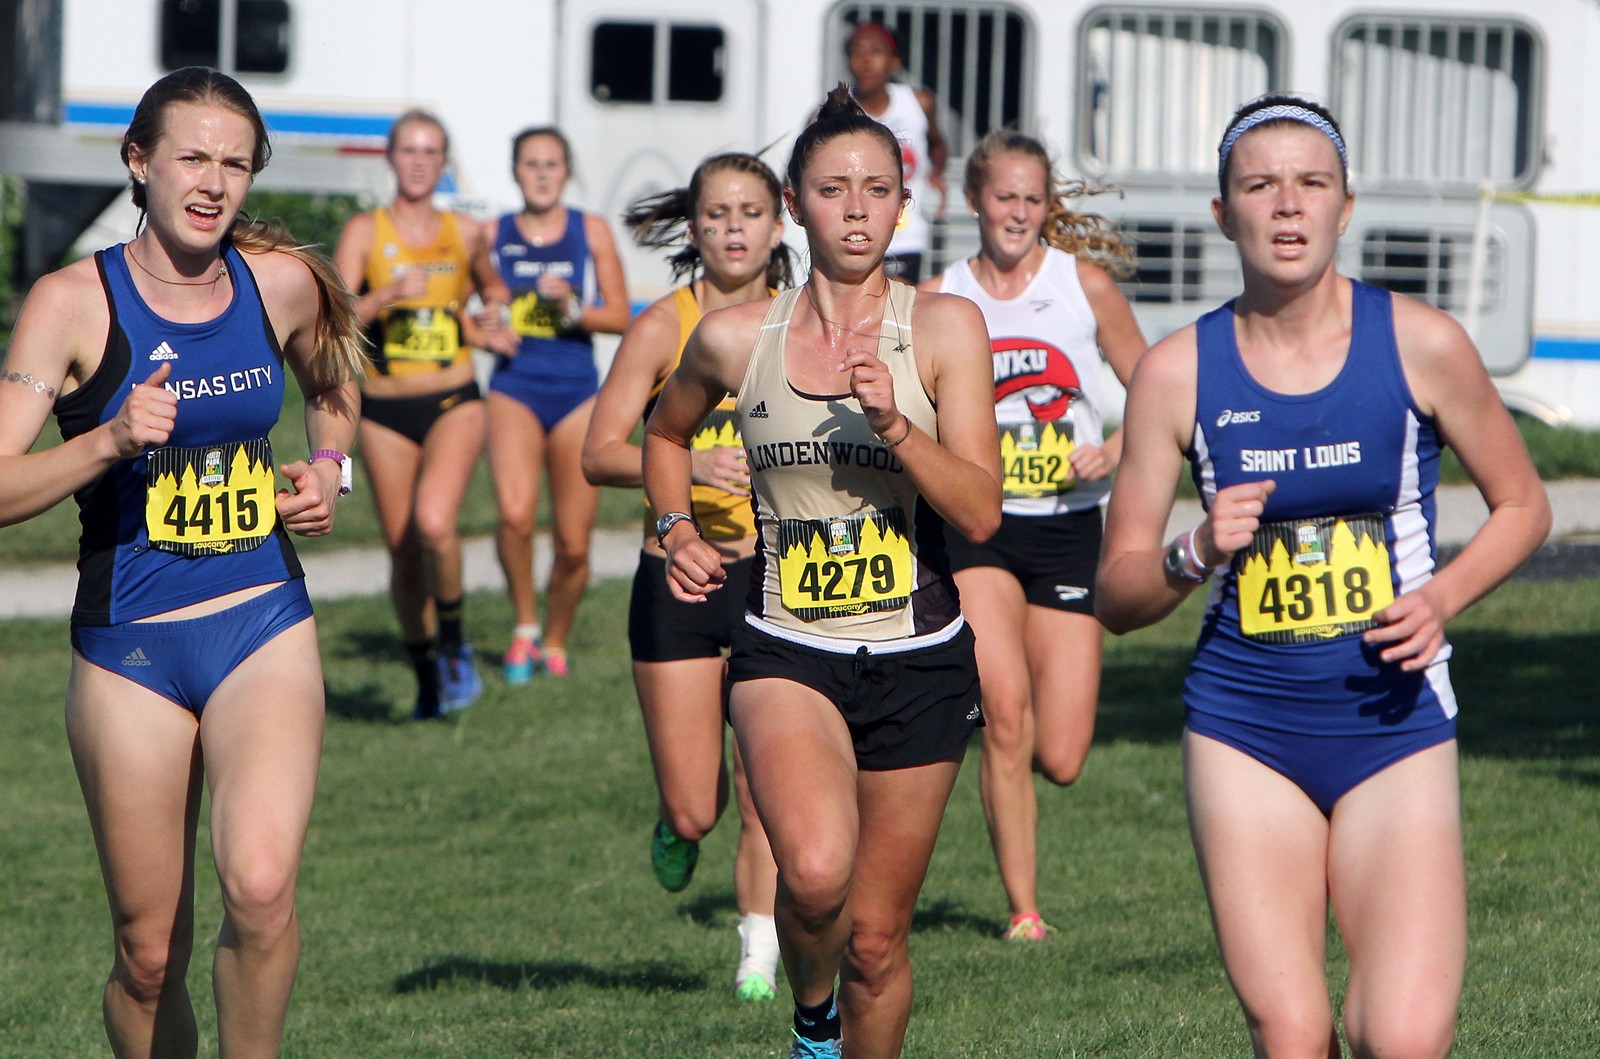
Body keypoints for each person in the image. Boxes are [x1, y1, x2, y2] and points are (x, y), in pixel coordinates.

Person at [1096, 94, 1551, 1058]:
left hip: (1395, 722)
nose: (1288, 206)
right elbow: (1118, 593)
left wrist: (1441, 600)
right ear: (1224, 213)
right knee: (1293, 1031)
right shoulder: (1176, 373)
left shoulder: (1422, 342)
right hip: (1245, 726)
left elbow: (1524, 507)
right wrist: (1196, 550)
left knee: (1403, 1034)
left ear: (1347, 207)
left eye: (1312, 184)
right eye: (1261, 186)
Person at [0, 66, 365, 1058]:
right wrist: (108, 443)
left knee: (258, 884)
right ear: (139, 162)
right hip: (131, 650)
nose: (212, 182)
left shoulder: (278, 282)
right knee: (148, 951)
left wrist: (331, 468)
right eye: (192, 157)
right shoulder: (72, 302)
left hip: (261, 620)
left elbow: (334, 380)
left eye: (235, 163)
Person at [643, 86, 1001, 1059]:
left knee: (878, 944)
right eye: (833, 189)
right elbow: (663, 432)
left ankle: (842, 1018)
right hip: (785, 650)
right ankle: (812, 1021)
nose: (856, 208)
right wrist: (675, 524)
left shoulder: (945, 330)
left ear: (903, 202)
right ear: (795, 207)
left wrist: (895, 427)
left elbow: (977, 509)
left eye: (877, 189)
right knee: (809, 871)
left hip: (920, 657)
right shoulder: (733, 337)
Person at [922, 129, 1147, 941]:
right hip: (978, 530)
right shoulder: (939, 295)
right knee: (1006, 716)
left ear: (1046, 207)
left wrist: (1115, 450)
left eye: (1030, 198)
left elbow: (1154, 391)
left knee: (1064, 753)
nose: (1016, 213)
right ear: (975, 199)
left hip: (1068, 531)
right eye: (1002, 196)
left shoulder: (1081, 286)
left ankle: (1026, 863)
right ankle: (1024, 911)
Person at [582, 151, 795, 1002]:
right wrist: (690, 470)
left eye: (751, 212)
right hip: (673, 578)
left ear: (779, 227)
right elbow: (598, 452)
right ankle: (678, 819)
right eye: (717, 214)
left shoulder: (800, 322)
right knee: (694, 810)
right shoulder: (661, 326)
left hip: (774, 580)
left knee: (765, 789)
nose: (735, 227)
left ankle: (757, 954)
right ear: (695, 228)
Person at [333, 108, 499, 719]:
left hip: (453, 398)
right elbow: (338, 316)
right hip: (383, 409)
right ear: (392, 158)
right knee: (403, 551)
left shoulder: (466, 231)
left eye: (431, 151)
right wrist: (385, 296)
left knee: (434, 522)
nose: (420, 161)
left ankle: (455, 641)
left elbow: (493, 290)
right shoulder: (364, 231)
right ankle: (427, 675)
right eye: (409, 150)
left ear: (445, 161)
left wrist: (490, 318)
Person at [478, 126, 630, 680]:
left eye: (552, 164)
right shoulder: (490, 233)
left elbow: (619, 315)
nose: (541, 173)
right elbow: (467, 315)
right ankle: (524, 629)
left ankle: (557, 638)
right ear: (515, 171)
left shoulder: (589, 230)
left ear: (567, 172)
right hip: (515, 386)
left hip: (575, 393)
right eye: (530, 164)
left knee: (572, 542)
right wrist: (485, 329)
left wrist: (573, 309)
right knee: (516, 515)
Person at [845, 21, 948, 284]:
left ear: (895, 62)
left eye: (876, 52)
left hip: (907, 228)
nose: (866, 61)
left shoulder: (917, 103)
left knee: (898, 301)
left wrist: (936, 174)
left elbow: (937, 144)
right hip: (854, 228)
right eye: (857, 52)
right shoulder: (838, 111)